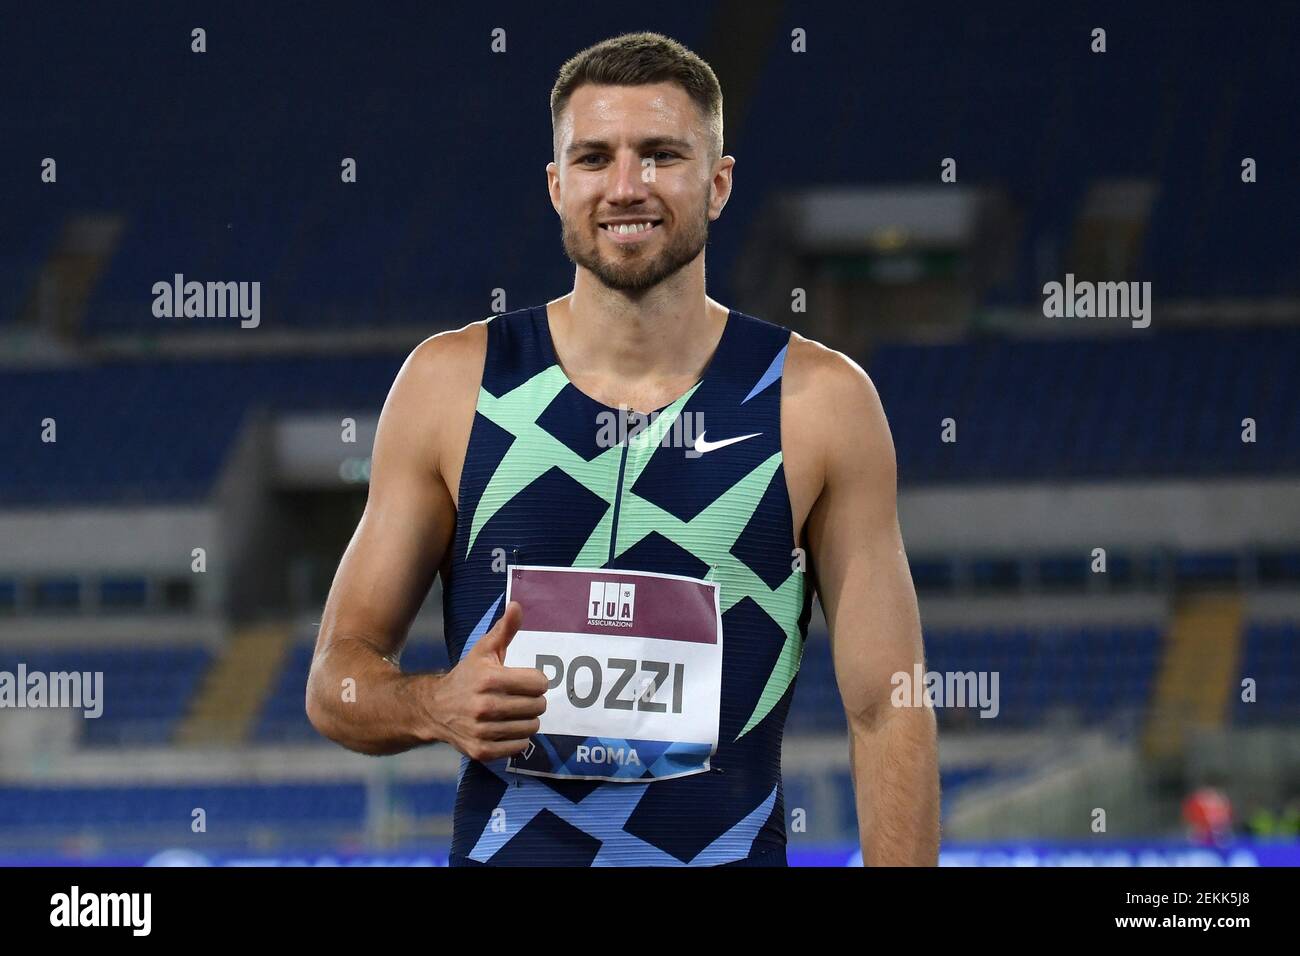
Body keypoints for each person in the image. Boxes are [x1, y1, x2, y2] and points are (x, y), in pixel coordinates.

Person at [306, 31, 939, 866]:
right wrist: (433, 704)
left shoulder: (819, 404)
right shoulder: (451, 387)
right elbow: (334, 681)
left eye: (661, 155)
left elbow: (888, 708)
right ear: (556, 185)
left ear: (718, 185)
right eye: (595, 158)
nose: (626, 186)